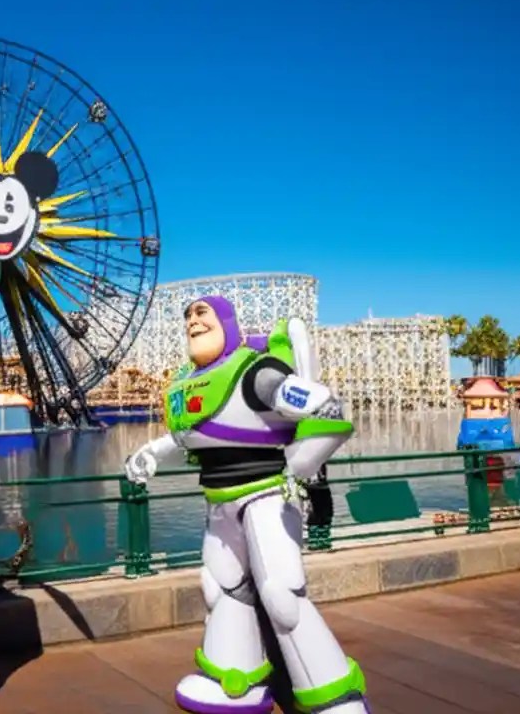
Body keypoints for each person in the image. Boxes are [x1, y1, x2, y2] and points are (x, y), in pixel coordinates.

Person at [125, 296, 367, 714]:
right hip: (219, 502)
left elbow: (327, 408)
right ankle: (235, 678)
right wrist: (154, 452)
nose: (192, 321)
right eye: (188, 316)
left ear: (227, 322)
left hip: (266, 496)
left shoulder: (256, 373)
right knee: (221, 589)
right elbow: (194, 434)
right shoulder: (188, 382)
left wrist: (300, 465)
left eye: (203, 313)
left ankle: (334, 696)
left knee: (281, 595)